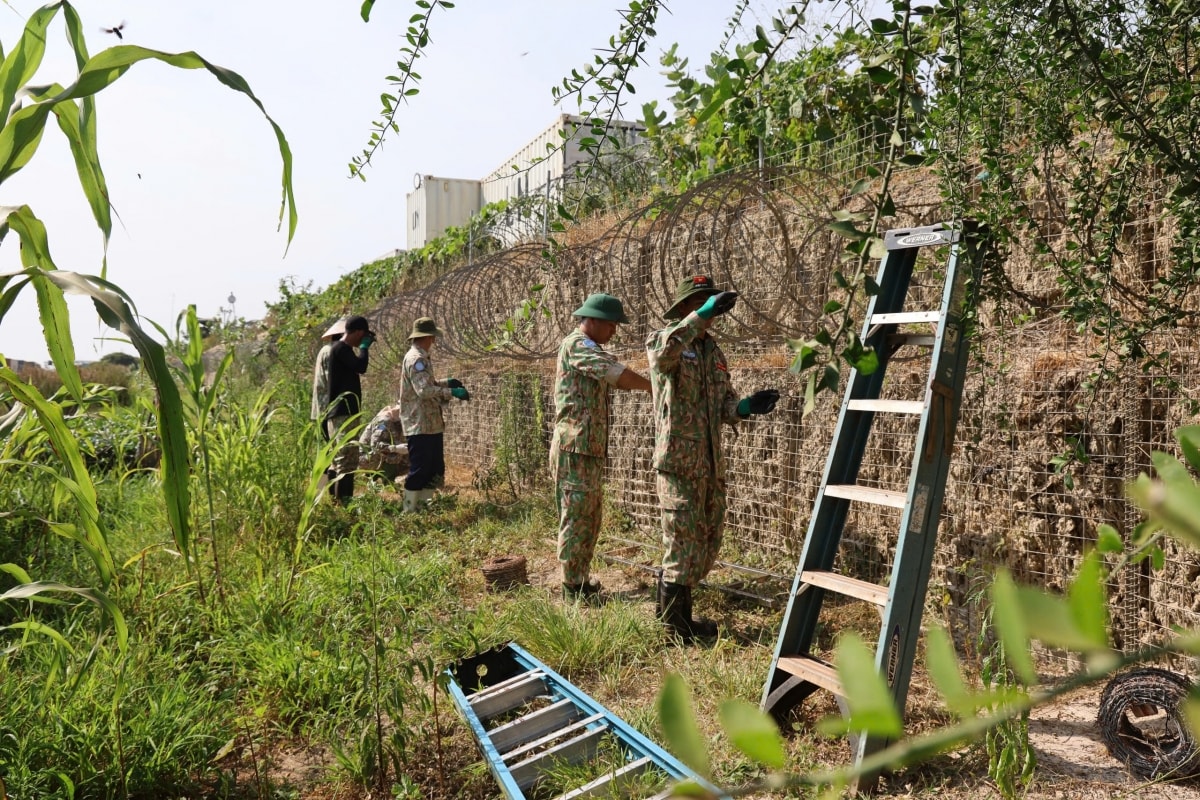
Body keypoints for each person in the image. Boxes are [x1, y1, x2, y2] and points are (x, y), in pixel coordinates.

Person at [646, 275, 780, 641]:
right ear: (686, 308)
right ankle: (676, 628)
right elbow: (661, 358)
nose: (711, 310)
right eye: (702, 302)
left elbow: (723, 405)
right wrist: (698, 319)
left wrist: (745, 407)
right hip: (678, 463)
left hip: (709, 464)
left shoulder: (713, 352)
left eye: (712, 302)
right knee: (682, 543)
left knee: (706, 542)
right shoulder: (665, 339)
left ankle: (670, 614)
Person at [551, 293, 651, 602]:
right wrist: (654, 385)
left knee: (589, 517)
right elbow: (616, 375)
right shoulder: (578, 346)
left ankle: (580, 579)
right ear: (591, 320)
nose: (614, 331)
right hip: (575, 448)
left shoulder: (588, 345)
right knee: (577, 516)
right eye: (610, 324)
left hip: (587, 449)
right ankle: (572, 587)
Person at [399, 317, 469, 512]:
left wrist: (446, 383)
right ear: (428, 337)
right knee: (420, 470)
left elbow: (427, 385)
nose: (434, 341)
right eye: (433, 337)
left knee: (433, 469)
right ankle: (409, 509)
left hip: (429, 423)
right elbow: (423, 391)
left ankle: (423, 507)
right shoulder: (417, 359)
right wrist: (451, 393)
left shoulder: (420, 357)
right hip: (420, 423)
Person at [325, 315, 374, 504]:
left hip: (340, 412)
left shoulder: (339, 349)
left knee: (339, 459)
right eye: (363, 336)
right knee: (347, 460)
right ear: (359, 332)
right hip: (343, 413)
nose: (363, 340)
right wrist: (364, 348)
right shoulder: (341, 349)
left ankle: (336, 503)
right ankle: (344, 504)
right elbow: (361, 367)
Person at [361, 403, 409, 484]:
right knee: (394, 455)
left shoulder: (397, 421)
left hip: (378, 456)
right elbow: (376, 446)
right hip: (367, 457)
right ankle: (385, 481)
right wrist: (396, 448)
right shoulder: (384, 421)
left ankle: (381, 477)